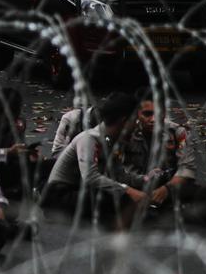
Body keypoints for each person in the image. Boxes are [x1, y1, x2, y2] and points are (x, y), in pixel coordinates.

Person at [41, 93, 143, 229]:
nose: (137, 125)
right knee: (118, 197)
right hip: (60, 196)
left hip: (80, 192)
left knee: (123, 195)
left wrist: (146, 180)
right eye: (135, 120)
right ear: (124, 121)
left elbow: (120, 175)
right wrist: (128, 191)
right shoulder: (89, 138)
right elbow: (90, 177)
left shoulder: (111, 141)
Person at [123, 93, 197, 208]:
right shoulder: (126, 133)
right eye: (147, 114)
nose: (153, 119)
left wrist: (166, 188)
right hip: (134, 186)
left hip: (167, 186)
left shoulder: (178, 132)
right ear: (137, 114)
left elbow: (187, 168)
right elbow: (115, 169)